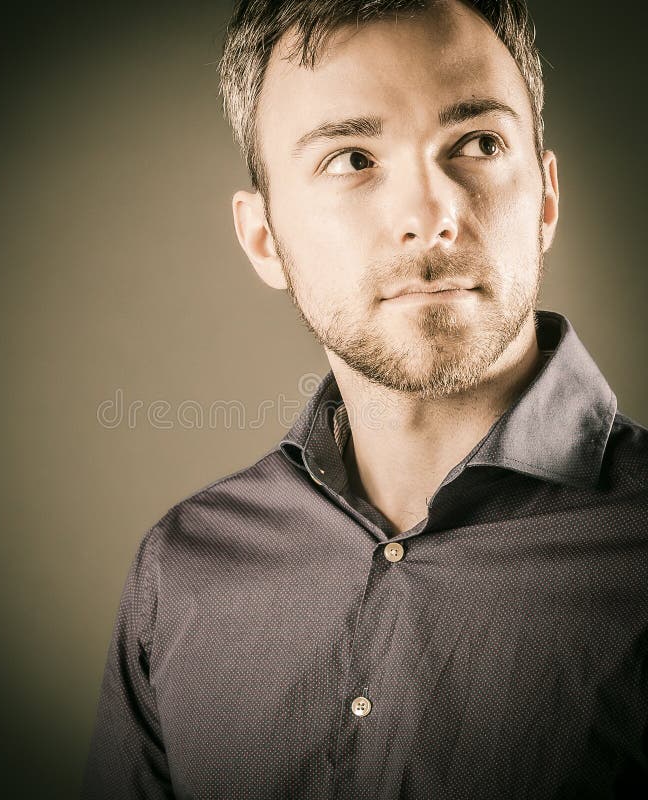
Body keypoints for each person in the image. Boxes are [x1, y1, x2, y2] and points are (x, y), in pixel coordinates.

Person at [82, 1, 648, 797]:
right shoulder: (182, 572)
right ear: (263, 240)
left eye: (479, 144)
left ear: (546, 197)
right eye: (352, 159)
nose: (430, 216)